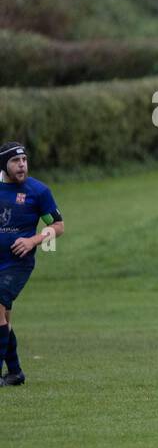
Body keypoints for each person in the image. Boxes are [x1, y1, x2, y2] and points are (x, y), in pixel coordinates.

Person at [0, 141, 64, 388]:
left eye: (24, 160)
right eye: (16, 161)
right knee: (3, 317)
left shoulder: (38, 192)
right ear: (4, 164)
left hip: (17, 264)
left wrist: (33, 240)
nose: (22, 165)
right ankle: (15, 373)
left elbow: (58, 226)